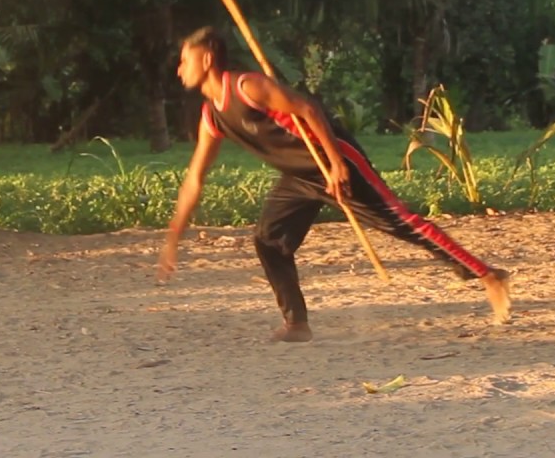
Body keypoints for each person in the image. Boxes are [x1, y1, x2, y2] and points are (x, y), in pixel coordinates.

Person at [156, 26, 511, 342]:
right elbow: (194, 179)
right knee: (268, 240)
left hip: (333, 159)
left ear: (207, 59)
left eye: (185, 60)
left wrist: (337, 163)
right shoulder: (212, 116)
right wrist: (173, 239)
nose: (179, 69)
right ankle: (296, 324)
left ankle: (488, 275)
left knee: (401, 223)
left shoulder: (247, 87)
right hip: (299, 177)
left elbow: (308, 109)